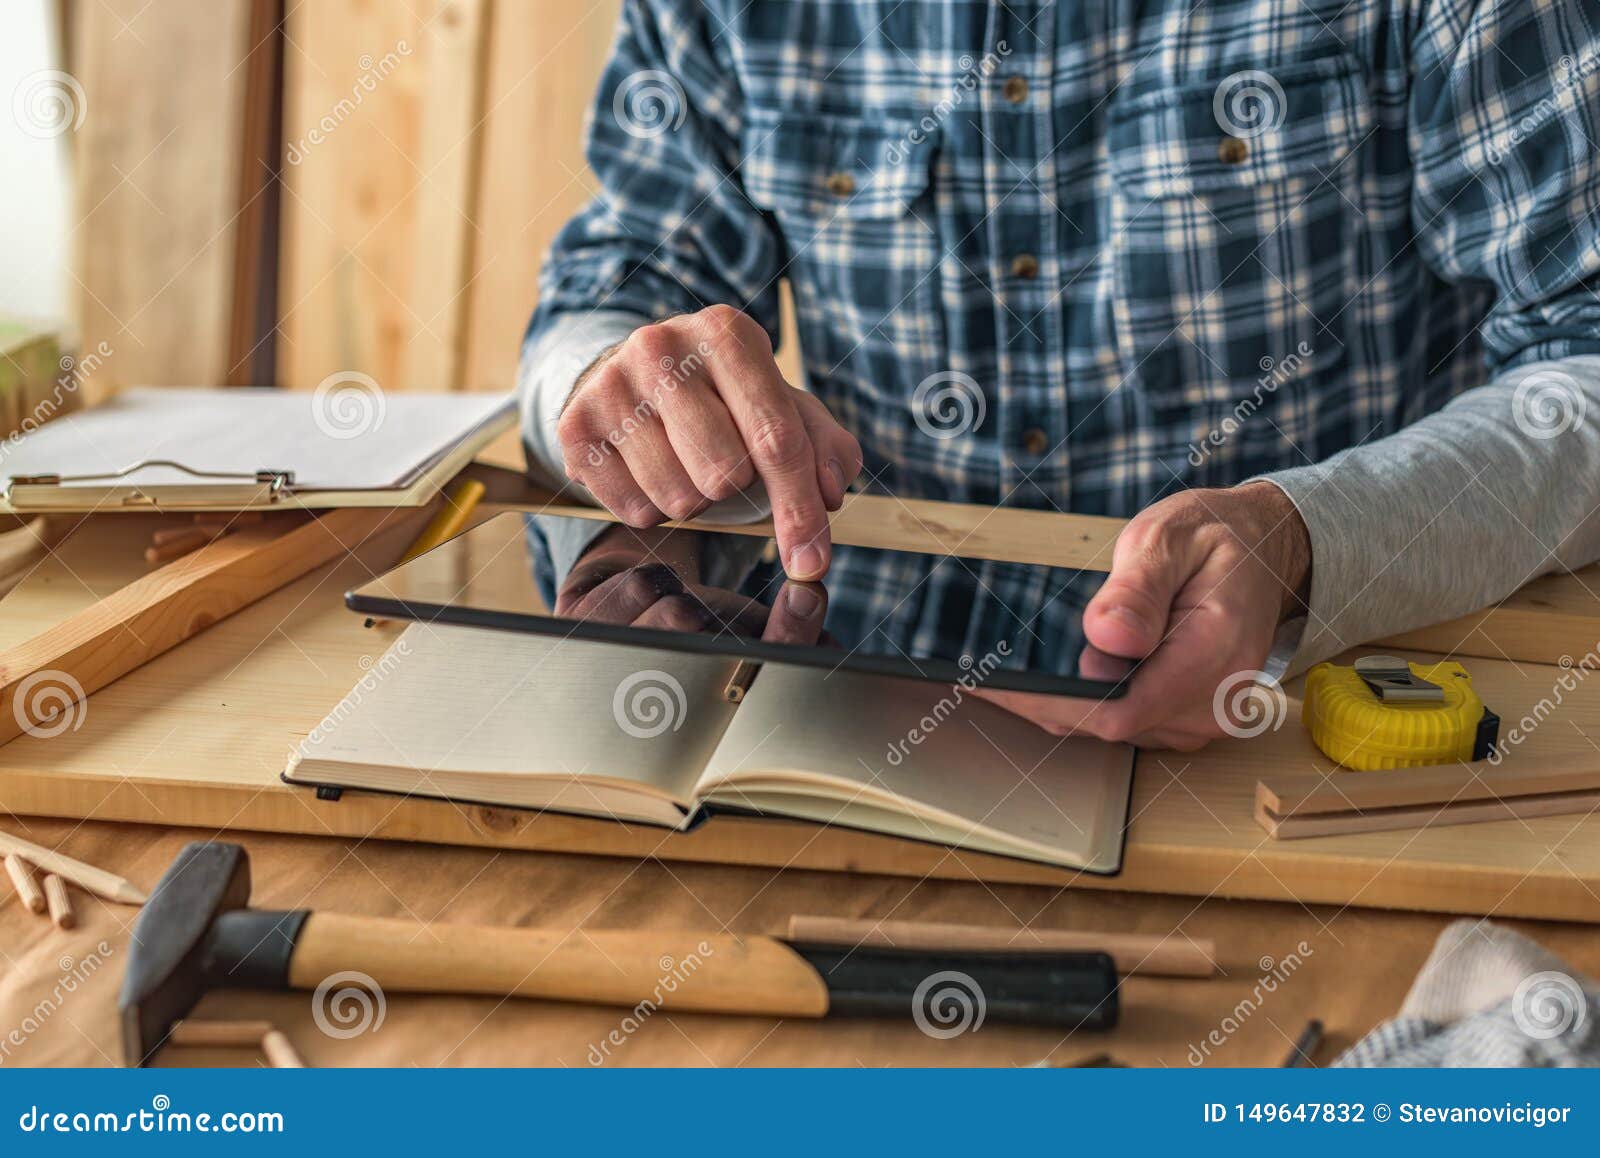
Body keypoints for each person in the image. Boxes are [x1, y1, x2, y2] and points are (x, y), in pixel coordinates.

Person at [519, 0, 1600, 750]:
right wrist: (606, 385)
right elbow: (619, 286)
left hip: (1299, 716)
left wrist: (1302, 539)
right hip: (841, 711)